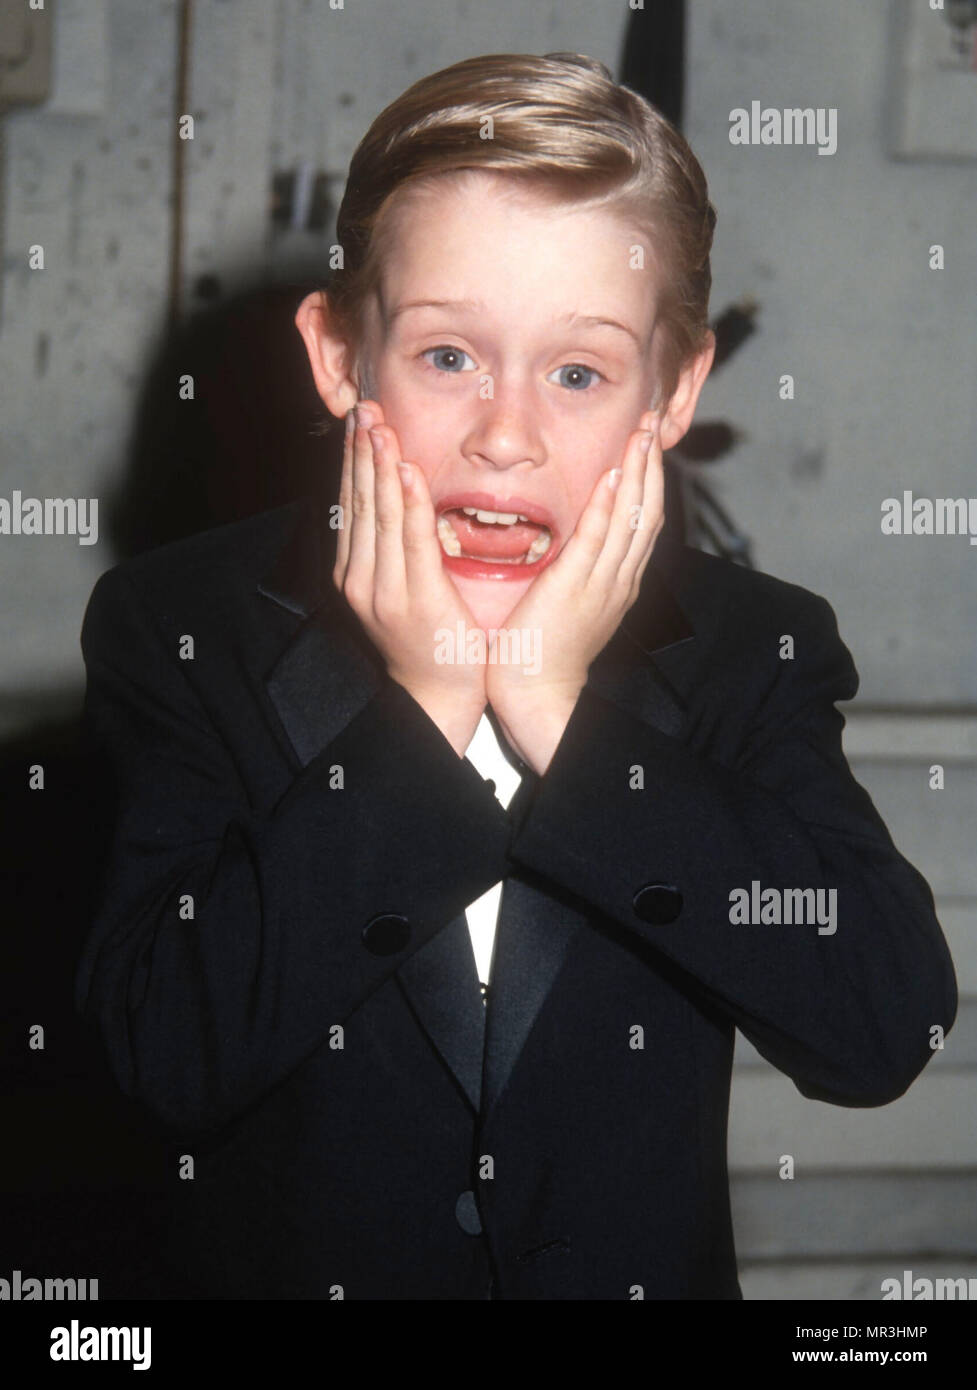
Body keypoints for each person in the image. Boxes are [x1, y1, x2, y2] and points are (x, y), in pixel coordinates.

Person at [76, 52, 957, 1300]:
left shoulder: (745, 645)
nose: (505, 432)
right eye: (447, 357)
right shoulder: (187, 627)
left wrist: (561, 713)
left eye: (579, 372)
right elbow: (163, 1054)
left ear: (670, 393)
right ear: (337, 358)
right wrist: (427, 702)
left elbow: (877, 1026)